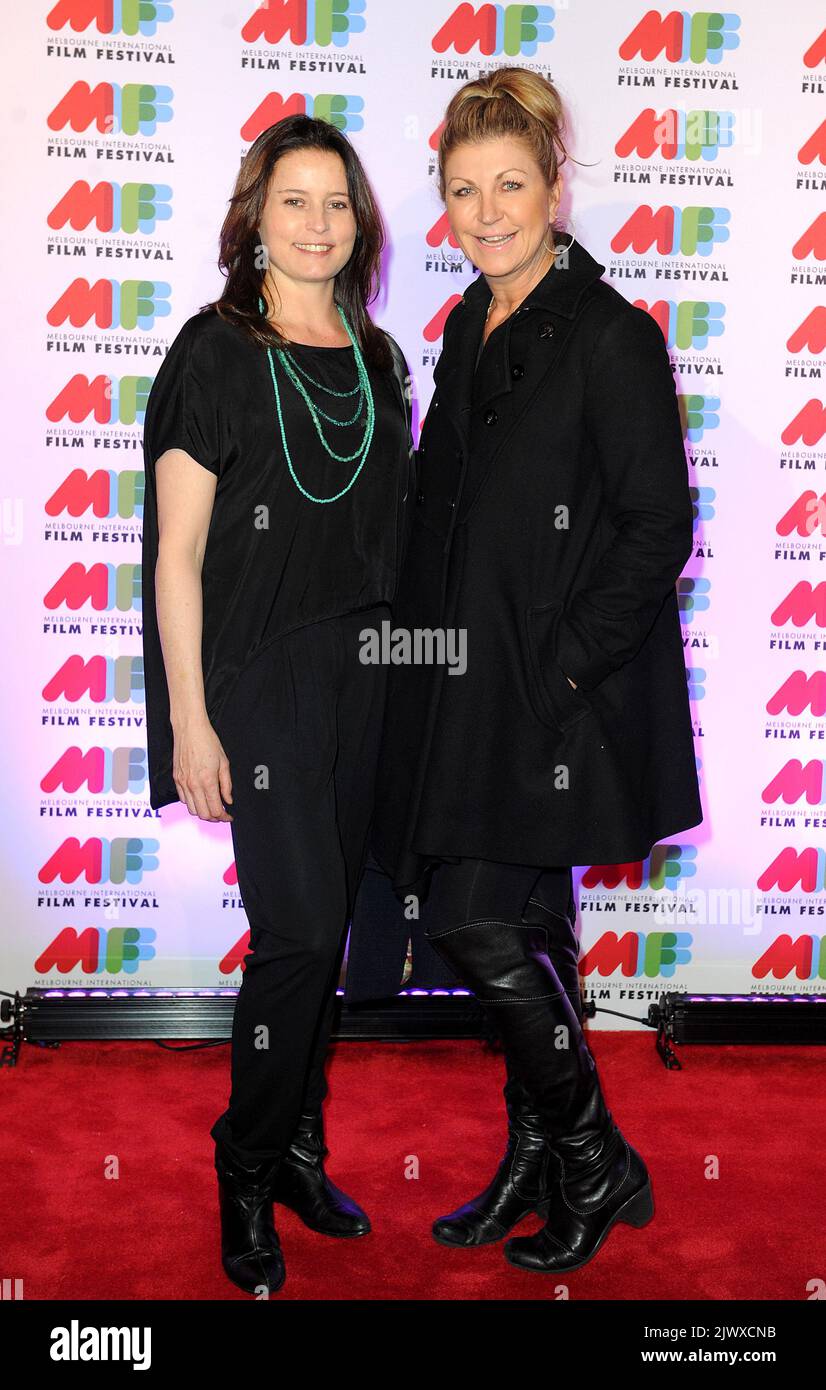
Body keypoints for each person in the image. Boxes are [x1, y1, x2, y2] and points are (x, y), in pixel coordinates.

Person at [370, 68, 703, 1273]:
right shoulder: (468, 322)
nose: (487, 209)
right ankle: (535, 1156)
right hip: (464, 687)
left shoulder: (611, 336)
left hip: (550, 699)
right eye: (464, 189)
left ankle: (594, 1156)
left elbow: (655, 526)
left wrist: (559, 672)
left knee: (470, 918)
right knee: (529, 923)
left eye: (510, 183)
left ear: (557, 185)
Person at [140, 114, 414, 1295]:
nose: (317, 223)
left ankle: (301, 1148)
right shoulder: (211, 353)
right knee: (298, 935)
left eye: (336, 202)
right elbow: (177, 556)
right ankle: (244, 1166)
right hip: (263, 689)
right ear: (254, 218)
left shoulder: (379, 357)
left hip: (374, 679)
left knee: (335, 934)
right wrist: (192, 719)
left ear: (361, 222)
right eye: (293, 200)